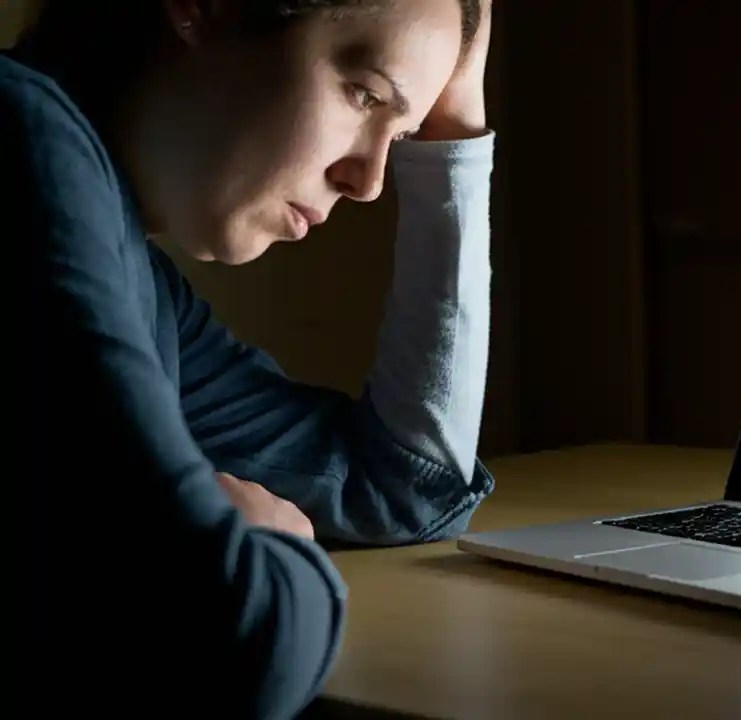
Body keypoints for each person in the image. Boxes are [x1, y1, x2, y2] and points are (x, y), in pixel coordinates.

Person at [7, 0, 493, 716]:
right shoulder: (23, 142)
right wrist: (275, 545)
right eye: (363, 94)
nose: (368, 181)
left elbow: (405, 490)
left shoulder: (144, 287)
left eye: (406, 133)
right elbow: (233, 640)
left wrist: (455, 134)